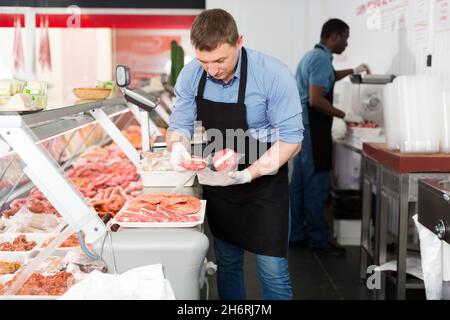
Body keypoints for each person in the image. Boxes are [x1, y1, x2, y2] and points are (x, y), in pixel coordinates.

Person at [166, 9, 304, 300]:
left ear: (239, 41)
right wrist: (177, 146)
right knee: (227, 264)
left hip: (265, 183)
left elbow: (292, 141)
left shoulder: (272, 74)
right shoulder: (192, 74)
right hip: (219, 182)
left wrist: (247, 174)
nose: (212, 70)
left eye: (220, 60)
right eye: (204, 61)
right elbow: (179, 125)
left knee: (272, 269)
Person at [289, 19, 371, 256]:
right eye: (345, 37)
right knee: (317, 186)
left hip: (302, 129)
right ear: (333, 36)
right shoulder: (321, 59)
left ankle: (297, 233)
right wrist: (345, 115)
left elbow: (330, 76)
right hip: (313, 129)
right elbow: (316, 100)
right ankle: (318, 239)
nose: (347, 43)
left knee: (300, 185)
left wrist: (353, 71)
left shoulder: (312, 57)